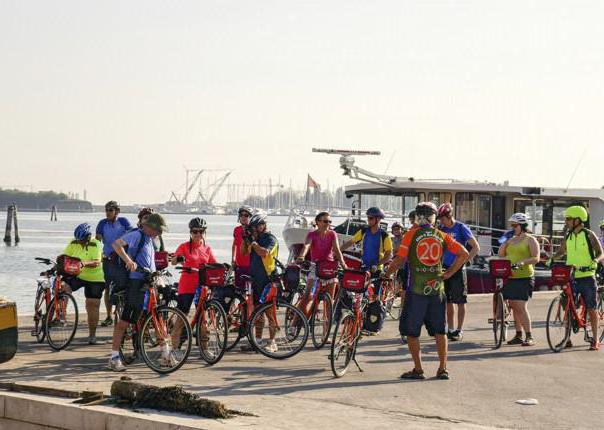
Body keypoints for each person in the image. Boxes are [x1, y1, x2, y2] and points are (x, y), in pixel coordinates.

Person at [385, 202, 468, 380]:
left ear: (417, 216)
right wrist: (449, 273)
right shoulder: (441, 235)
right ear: (434, 217)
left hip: (416, 291)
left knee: (411, 332)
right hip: (437, 290)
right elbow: (464, 254)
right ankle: (442, 368)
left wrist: (386, 274)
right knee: (440, 331)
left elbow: (400, 260)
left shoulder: (411, 235)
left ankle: (418, 369)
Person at [108, 213, 168, 371]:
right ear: (149, 227)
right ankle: (114, 357)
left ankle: (166, 353)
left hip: (149, 282)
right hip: (136, 282)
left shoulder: (150, 239)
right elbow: (116, 244)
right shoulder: (136, 235)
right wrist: (129, 261)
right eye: (158, 230)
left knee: (157, 316)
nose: (159, 234)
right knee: (126, 320)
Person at [552, 206, 604, 350]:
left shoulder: (589, 235)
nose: (566, 222)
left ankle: (594, 339)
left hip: (587, 276)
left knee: (591, 308)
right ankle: (567, 339)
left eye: (568, 219)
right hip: (571, 276)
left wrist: (595, 261)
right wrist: (552, 258)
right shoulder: (567, 235)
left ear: (577, 220)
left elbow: (601, 253)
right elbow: (562, 251)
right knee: (566, 304)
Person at [341, 207, 393, 335]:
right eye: (368, 218)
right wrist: (338, 251)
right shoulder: (364, 231)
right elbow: (351, 242)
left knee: (375, 297)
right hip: (364, 267)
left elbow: (389, 254)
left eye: (370, 218)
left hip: (377, 269)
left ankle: (373, 324)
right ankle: (358, 320)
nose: (368, 220)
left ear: (377, 219)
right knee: (359, 294)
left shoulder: (384, 235)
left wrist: (378, 264)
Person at [437, 203, 480, 342]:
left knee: (460, 300)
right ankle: (450, 329)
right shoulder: (441, 229)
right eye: (440, 218)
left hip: (458, 268)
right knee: (447, 301)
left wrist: (466, 260)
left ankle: (459, 329)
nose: (441, 221)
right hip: (445, 267)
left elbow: (475, 247)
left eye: (442, 218)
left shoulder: (461, 228)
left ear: (449, 216)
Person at [498, 213, 540, 347]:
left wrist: (523, 262)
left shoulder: (530, 239)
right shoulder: (511, 239)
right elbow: (501, 254)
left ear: (522, 226)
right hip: (511, 276)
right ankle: (518, 334)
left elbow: (536, 258)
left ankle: (529, 336)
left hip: (524, 277)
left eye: (515, 225)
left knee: (521, 306)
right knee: (513, 305)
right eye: (512, 225)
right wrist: (505, 241)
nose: (512, 227)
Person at [295, 211, 348, 315]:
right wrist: (301, 256)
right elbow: (306, 246)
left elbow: (337, 250)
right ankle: (296, 323)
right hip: (316, 266)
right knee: (306, 297)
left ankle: (326, 327)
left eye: (329, 221)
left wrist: (343, 264)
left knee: (329, 302)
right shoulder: (312, 234)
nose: (327, 224)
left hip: (329, 267)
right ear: (317, 222)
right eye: (325, 221)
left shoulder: (332, 234)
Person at [241, 213, 280, 353]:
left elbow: (264, 253)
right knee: (258, 311)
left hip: (268, 278)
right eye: (252, 228)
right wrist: (245, 240)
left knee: (270, 311)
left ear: (263, 226)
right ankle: (257, 341)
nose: (254, 230)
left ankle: (272, 342)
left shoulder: (270, 239)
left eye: (255, 227)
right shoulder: (254, 239)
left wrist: (253, 242)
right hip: (256, 278)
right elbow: (244, 252)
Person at [62, 223, 105, 345]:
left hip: (95, 278)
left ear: (88, 237)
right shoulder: (73, 242)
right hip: (78, 274)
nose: (80, 243)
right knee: (64, 287)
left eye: (82, 240)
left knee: (92, 305)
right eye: (78, 240)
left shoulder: (95, 243)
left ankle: (92, 335)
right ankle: (61, 315)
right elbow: (65, 256)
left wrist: (83, 263)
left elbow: (97, 262)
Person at [95, 201, 132, 327]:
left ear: (117, 211)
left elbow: (131, 237)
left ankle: (121, 312)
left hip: (121, 259)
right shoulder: (102, 223)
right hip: (107, 259)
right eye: (106, 210)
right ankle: (108, 315)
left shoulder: (124, 222)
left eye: (110, 210)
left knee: (123, 287)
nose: (107, 213)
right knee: (107, 288)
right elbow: (97, 240)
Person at [171, 218, 217, 316]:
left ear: (204, 233)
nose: (198, 234)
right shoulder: (184, 246)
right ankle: (177, 331)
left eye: (201, 231)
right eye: (195, 231)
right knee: (182, 318)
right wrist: (178, 259)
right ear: (191, 232)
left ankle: (200, 330)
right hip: (187, 285)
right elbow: (173, 262)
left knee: (201, 318)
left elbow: (213, 264)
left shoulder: (207, 248)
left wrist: (222, 267)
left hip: (201, 286)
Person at [232, 206, 253, 289]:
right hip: (238, 265)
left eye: (246, 215)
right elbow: (234, 245)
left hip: (250, 266)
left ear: (250, 217)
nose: (243, 217)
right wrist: (233, 260)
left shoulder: (253, 230)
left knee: (250, 291)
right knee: (238, 291)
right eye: (241, 215)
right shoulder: (236, 230)